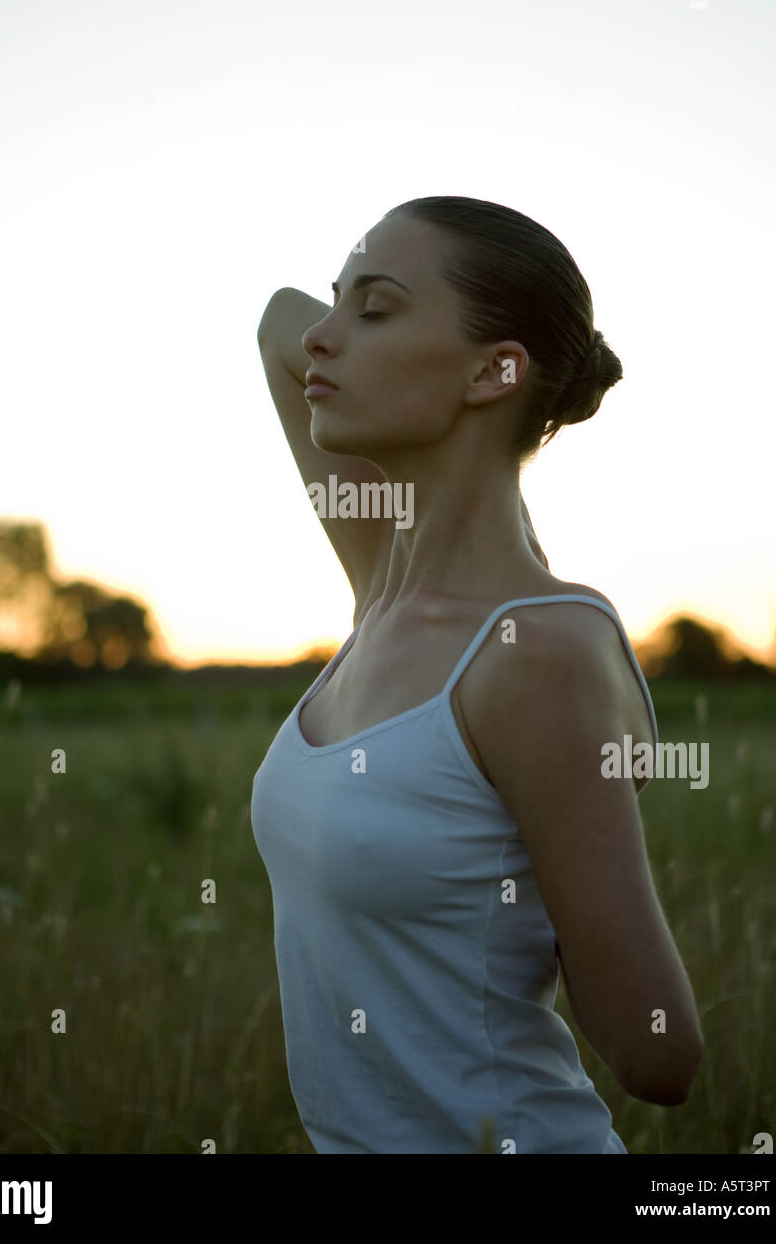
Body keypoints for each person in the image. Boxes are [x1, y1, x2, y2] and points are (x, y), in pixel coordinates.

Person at [251, 195, 703, 1153]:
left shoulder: (538, 654)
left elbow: (659, 1057)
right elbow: (275, 322)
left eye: (373, 311)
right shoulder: (384, 586)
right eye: (339, 306)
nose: (323, 340)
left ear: (495, 370)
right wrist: (362, 315)